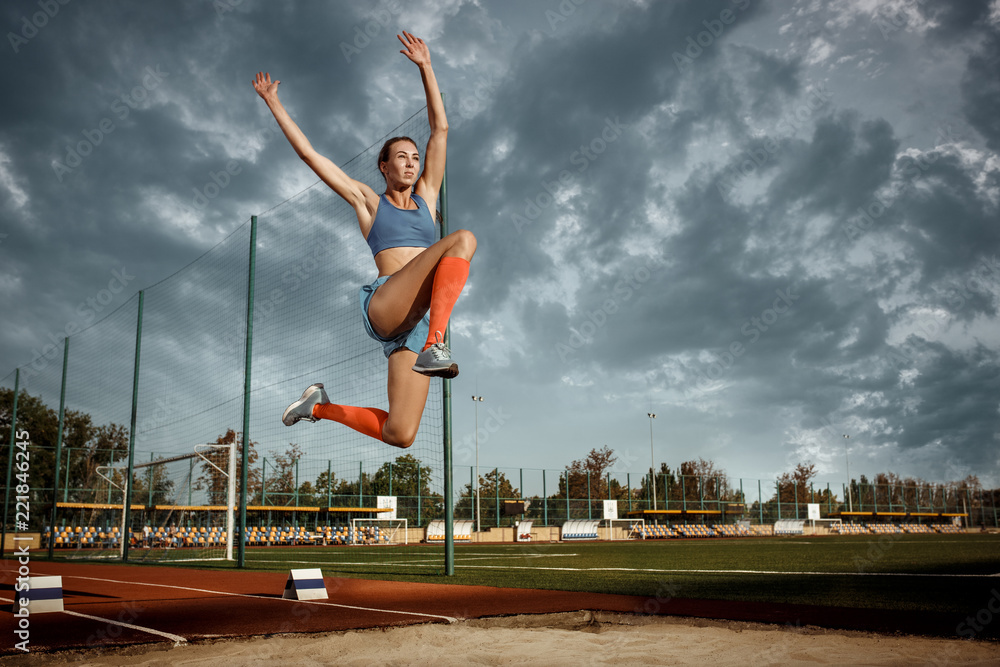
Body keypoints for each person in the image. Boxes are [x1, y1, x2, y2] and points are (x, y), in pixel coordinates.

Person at [254, 31, 475, 449]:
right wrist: (274, 102)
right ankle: (436, 346)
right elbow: (310, 156)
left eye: (415, 157)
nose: (411, 163)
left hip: (418, 322)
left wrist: (426, 67)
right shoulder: (369, 203)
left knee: (401, 433)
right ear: (384, 167)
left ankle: (316, 406)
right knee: (462, 239)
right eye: (402, 158)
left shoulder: (427, 198)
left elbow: (440, 130)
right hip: (387, 305)